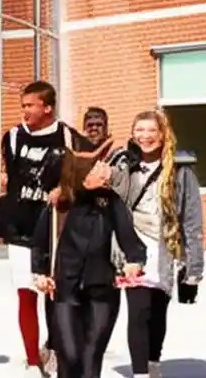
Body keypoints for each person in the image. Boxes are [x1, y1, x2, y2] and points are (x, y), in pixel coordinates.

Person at [0, 80, 78, 376]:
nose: (25, 111)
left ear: (48, 107)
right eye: (23, 105)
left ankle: (54, 351)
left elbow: (82, 174)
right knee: (26, 293)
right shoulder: (13, 137)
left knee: (56, 294)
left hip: (55, 226)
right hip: (20, 225)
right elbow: (9, 174)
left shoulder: (67, 136)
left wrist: (64, 191)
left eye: (31, 105)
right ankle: (32, 360)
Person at [31, 153, 146, 378]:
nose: (104, 170)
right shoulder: (59, 204)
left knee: (91, 356)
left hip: (102, 286)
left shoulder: (110, 201)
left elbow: (128, 237)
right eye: (97, 167)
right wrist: (39, 273)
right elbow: (40, 242)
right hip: (64, 287)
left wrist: (134, 261)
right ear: (82, 176)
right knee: (70, 355)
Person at [115, 109, 204, 378]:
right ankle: (141, 373)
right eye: (139, 130)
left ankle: (153, 362)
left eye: (151, 130)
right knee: (138, 310)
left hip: (165, 249)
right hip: (132, 248)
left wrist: (193, 270)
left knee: (156, 312)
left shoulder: (180, 170)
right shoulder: (124, 165)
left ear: (163, 134)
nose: (145, 136)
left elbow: (191, 219)